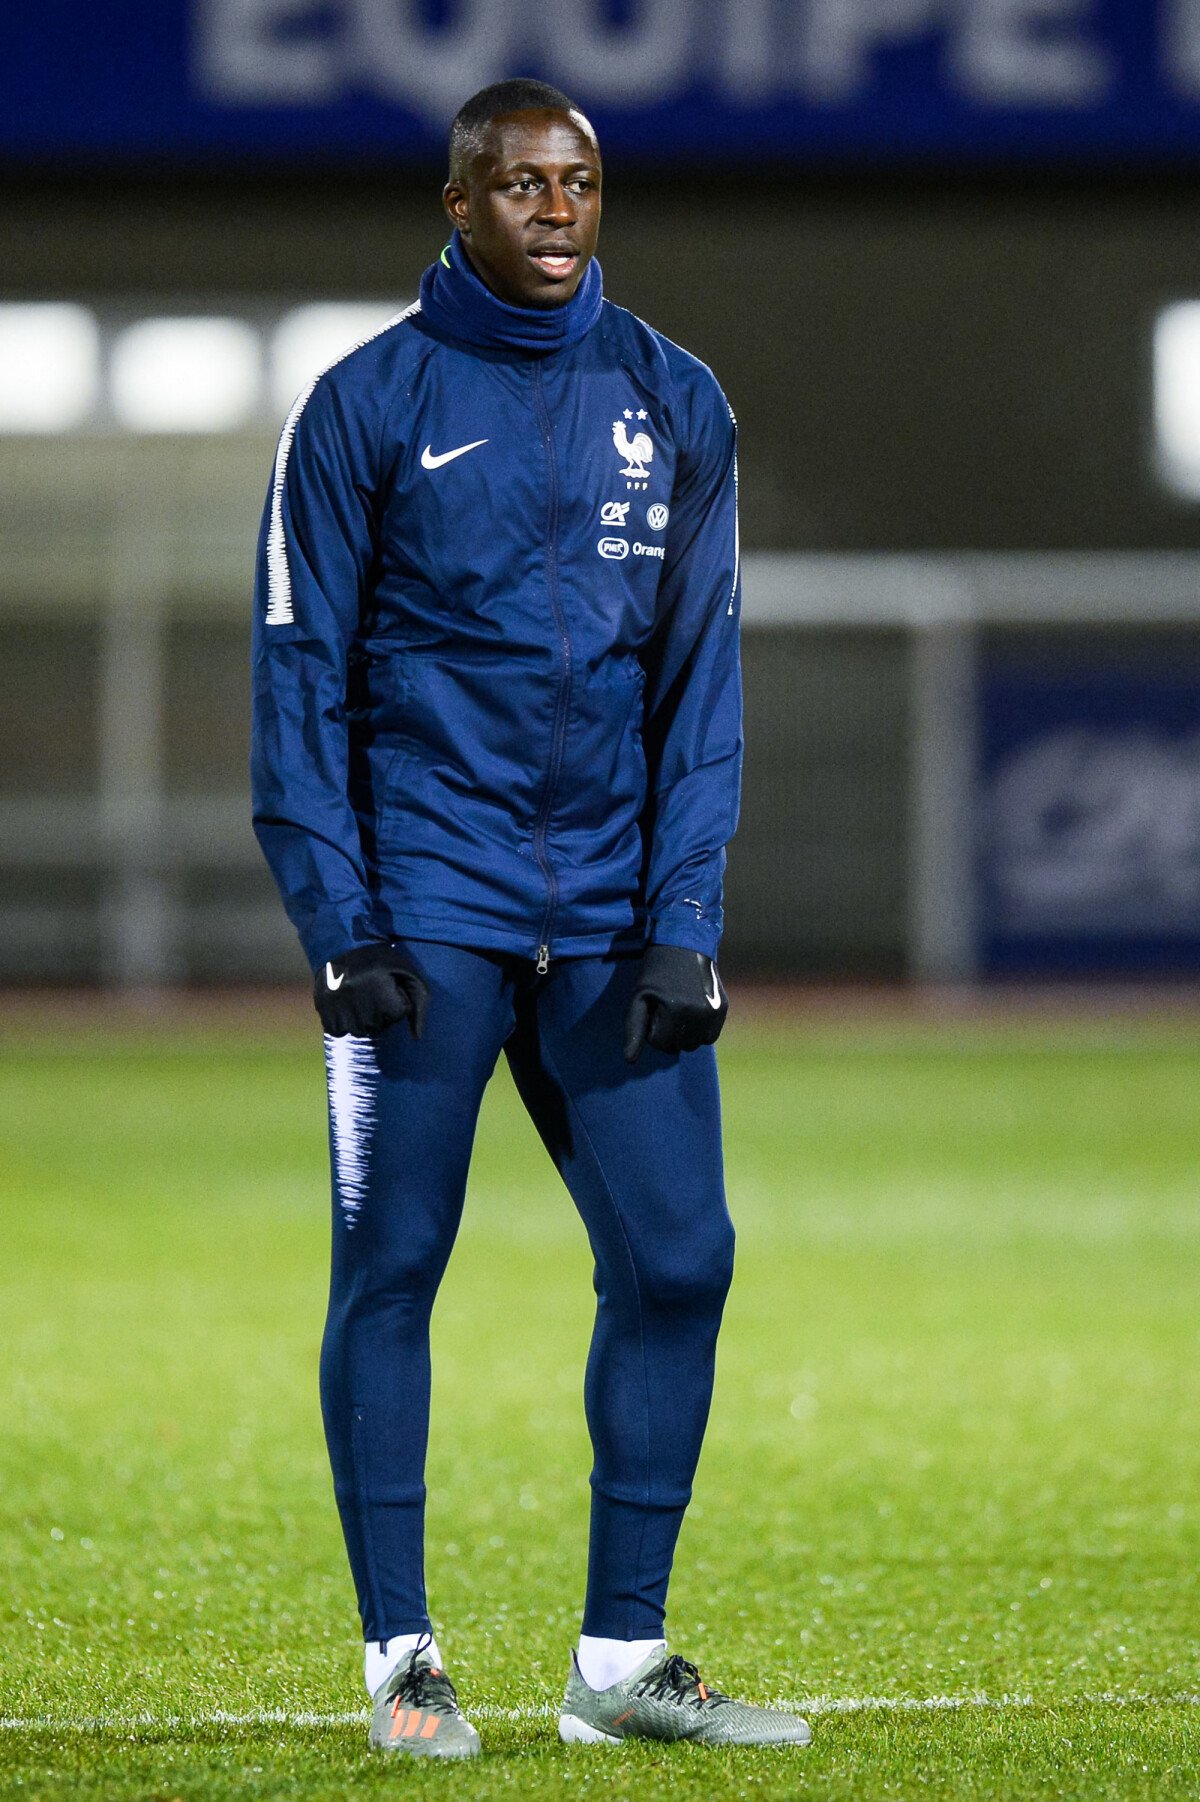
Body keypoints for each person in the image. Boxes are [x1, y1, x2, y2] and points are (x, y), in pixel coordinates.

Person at [251, 77, 810, 1759]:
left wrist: (687, 911)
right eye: (520, 184)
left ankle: (619, 1662)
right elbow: (296, 675)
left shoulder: (673, 396)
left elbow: (700, 682)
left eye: (579, 181)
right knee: (394, 1263)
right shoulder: (365, 404)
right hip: (427, 901)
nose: (556, 209)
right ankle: (403, 1660)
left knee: (682, 1257)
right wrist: (337, 916)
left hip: (616, 903)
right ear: (458, 204)